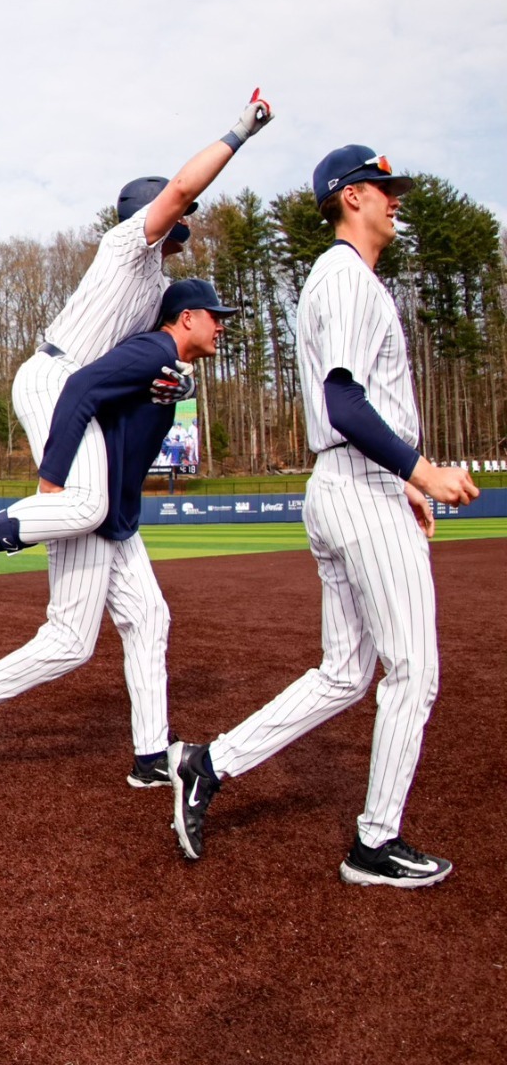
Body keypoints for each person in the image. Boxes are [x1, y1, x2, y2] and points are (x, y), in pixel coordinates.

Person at [169, 146, 479, 886]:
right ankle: (375, 841)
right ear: (350, 199)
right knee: (415, 672)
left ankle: (209, 763)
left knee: (345, 673)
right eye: (383, 188)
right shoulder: (344, 278)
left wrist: (401, 481)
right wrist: (420, 471)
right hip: (359, 489)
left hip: (355, 486)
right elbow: (343, 403)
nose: (395, 199)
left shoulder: (351, 282)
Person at [0, 279, 233, 783]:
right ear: (186, 317)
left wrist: (183, 384)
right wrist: (55, 480)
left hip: (117, 520)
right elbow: (80, 388)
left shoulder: (167, 364)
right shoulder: (153, 349)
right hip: (94, 515)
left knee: (149, 618)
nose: (221, 324)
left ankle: (151, 755)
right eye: (214, 315)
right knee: (68, 643)